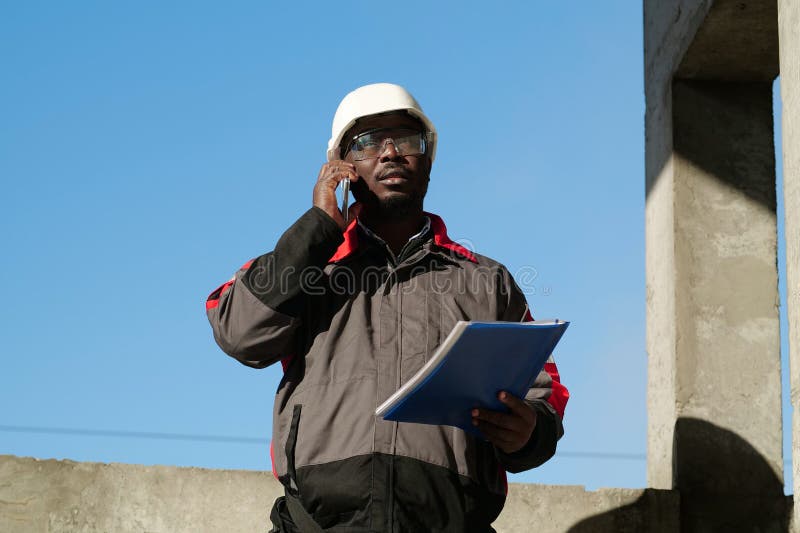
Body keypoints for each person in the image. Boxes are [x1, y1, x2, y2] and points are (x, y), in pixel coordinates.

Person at [206, 83, 569, 533]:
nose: (391, 152)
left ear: (429, 160)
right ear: (341, 166)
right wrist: (317, 229)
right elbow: (239, 332)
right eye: (369, 141)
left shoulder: (487, 281)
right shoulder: (306, 266)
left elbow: (544, 393)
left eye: (407, 139)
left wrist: (531, 431)